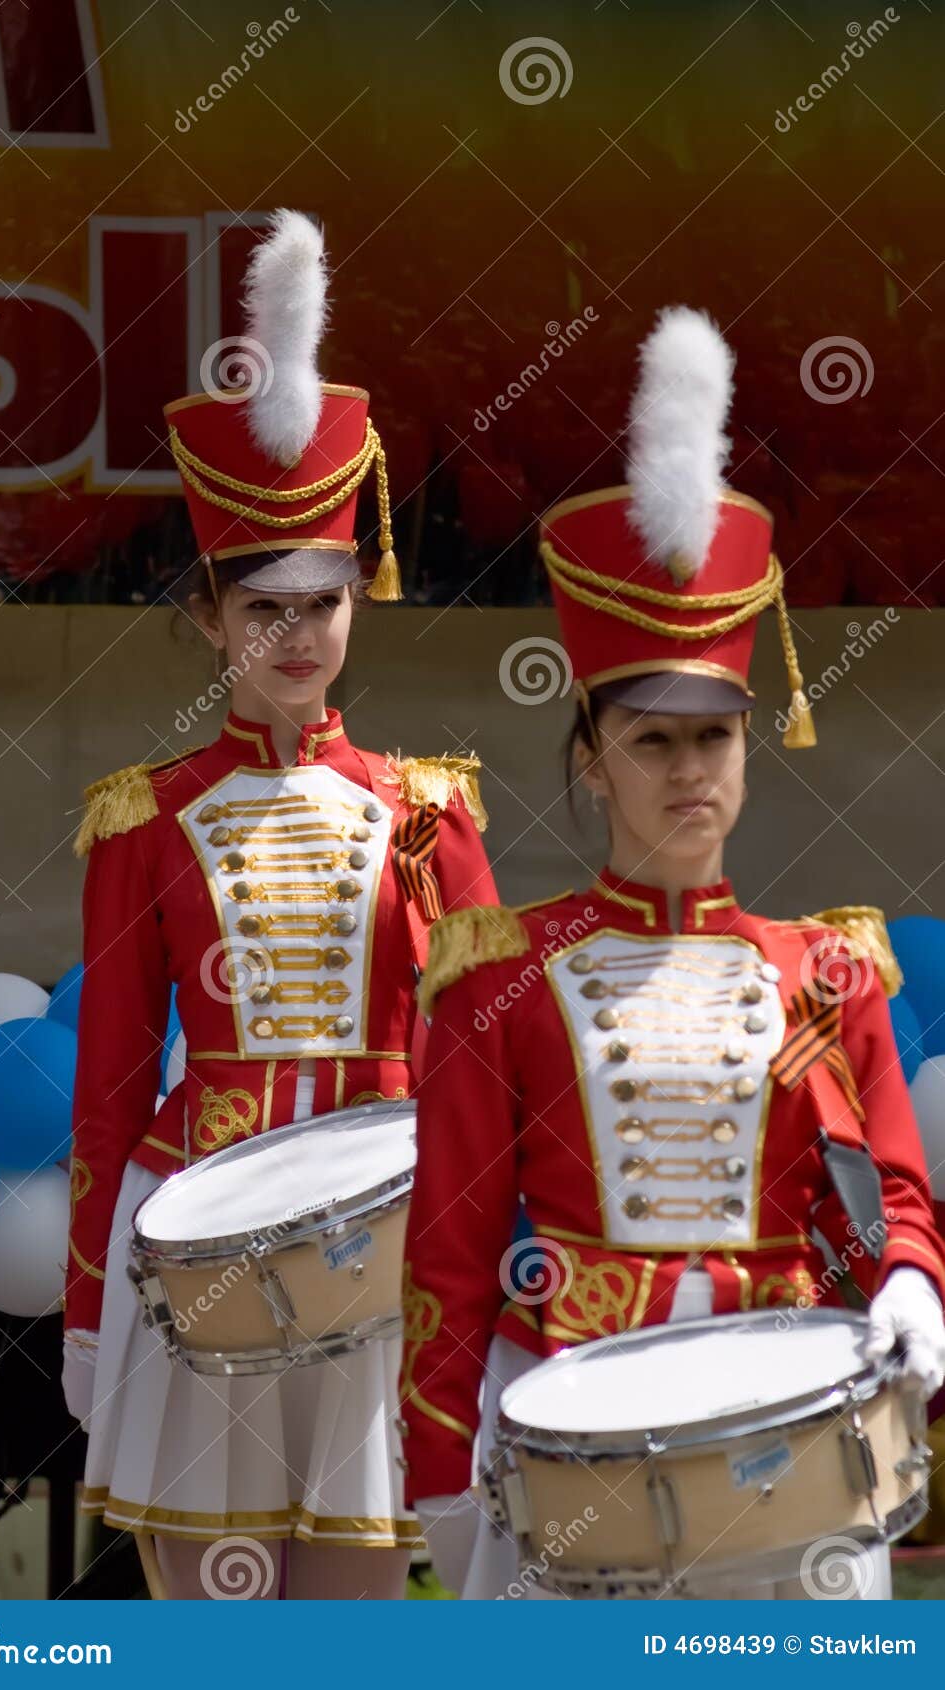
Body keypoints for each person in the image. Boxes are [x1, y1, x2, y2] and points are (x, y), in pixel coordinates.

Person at [399, 306, 945, 1601]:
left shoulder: (828, 971)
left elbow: (894, 1198)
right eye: (651, 741)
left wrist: (916, 1284)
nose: (689, 770)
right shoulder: (498, 974)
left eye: (714, 738)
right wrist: (437, 1469)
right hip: (577, 1452)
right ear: (590, 762)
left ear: (747, 747)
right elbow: (450, 1255)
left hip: (787, 1439)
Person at [61, 211, 497, 1601]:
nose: (297, 633)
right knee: (218, 1626)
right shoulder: (146, 818)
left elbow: (483, 1077)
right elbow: (110, 1081)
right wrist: (86, 1306)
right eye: (263, 606)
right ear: (208, 619)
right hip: (196, 1246)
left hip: (376, 1253)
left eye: (323, 599)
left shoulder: (432, 811)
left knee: (353, 1620)